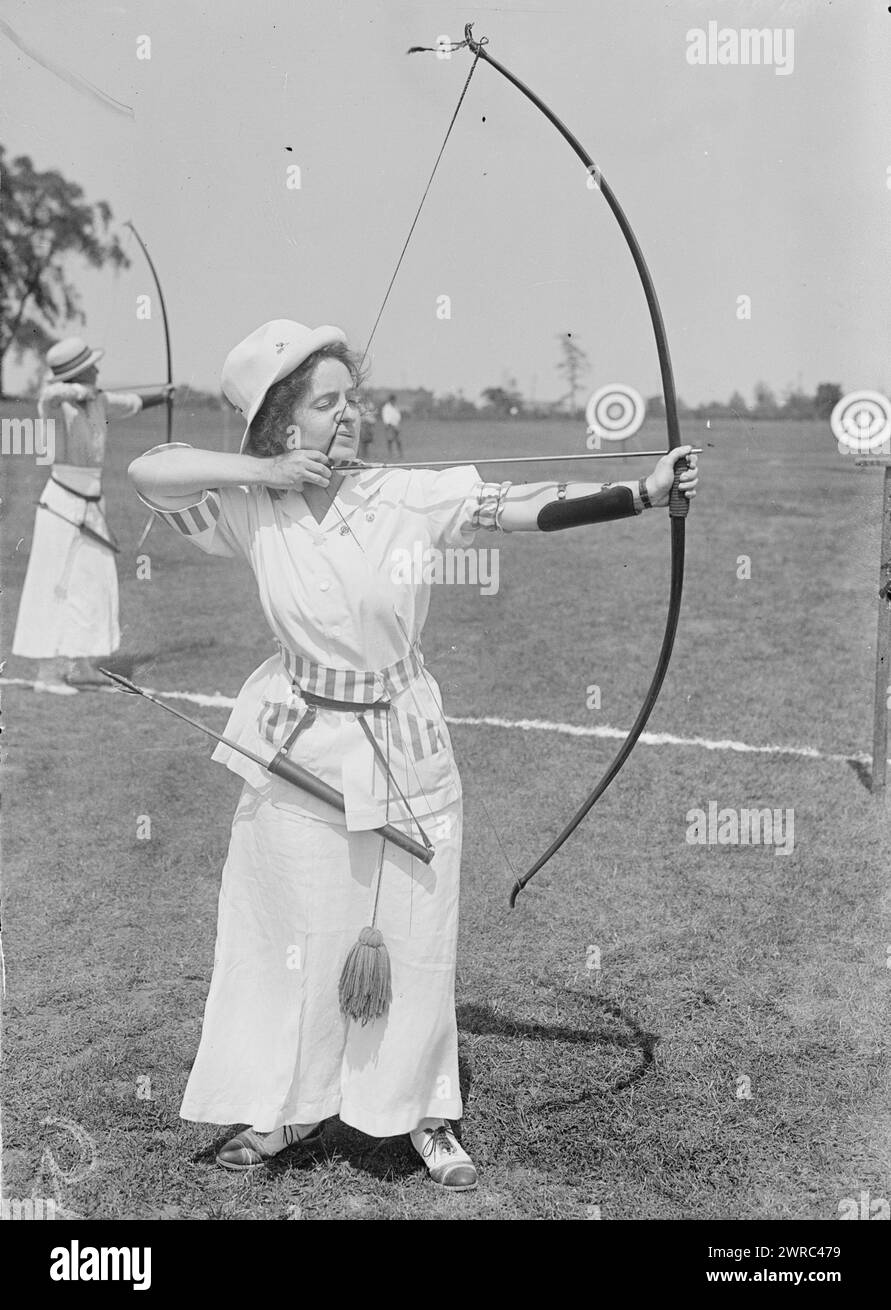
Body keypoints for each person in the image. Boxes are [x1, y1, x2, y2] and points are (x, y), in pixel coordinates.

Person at [128, 318, 699, 1189]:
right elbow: (148, 472)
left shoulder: (401, 493)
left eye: (350, 399)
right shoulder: (249, 507)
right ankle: (284, 1108)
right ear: (282, 423)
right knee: (292, 929)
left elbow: (519, 506)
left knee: (414, 931)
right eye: (327, 404)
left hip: (403, 737)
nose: (348, 416)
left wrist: (640, 493)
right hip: (296, 744)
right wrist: (265, 472)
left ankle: (427, 1114)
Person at [11, 336, 171, 693]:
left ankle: (84, 664)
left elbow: (130, 402)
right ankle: (47, 673)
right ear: (79, 373)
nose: (99, 369)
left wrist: (164, 394)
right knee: (56, 584)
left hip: (91, 502)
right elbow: (49, 396)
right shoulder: (55, 405)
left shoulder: (98, 400)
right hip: (62, 504)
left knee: (94, 581)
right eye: (92, 367)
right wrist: (75, 392)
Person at [381, 392, 403, 458]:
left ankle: (400, 454)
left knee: (398, 440)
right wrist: (388, 424)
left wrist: (398, 424)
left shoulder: (395, 407)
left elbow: (398, 415)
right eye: (393, 400)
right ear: (390, 400)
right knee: (390, 440)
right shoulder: (386, 407)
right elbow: (386, 417)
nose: (394, 401)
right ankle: (390, 454)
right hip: (390, 426)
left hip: (396, 425)